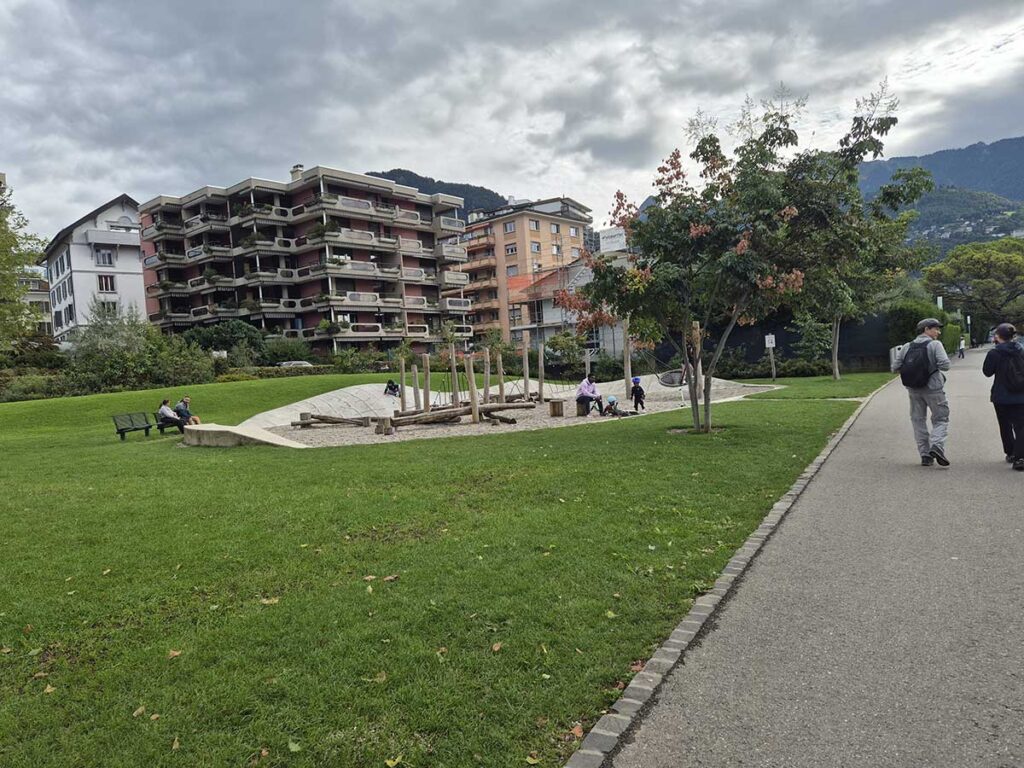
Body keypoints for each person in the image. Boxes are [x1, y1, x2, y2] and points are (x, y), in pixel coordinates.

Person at [892, 318, 951, 467]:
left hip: (913, 390)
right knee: (941, 419)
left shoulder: (906, 347)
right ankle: (936, 445)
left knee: (918, 420)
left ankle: (925, 455)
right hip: (934, 389)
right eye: (936, 329)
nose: (938, 332)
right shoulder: (935, 345)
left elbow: (895, 367)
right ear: (926, 329)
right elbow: (945, 365)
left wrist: (914, 373)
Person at [982, 323, 1024, 471]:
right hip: (1020, 394)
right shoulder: (1021, 350)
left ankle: (1011, 452)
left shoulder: (994, 353)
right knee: (1021, 426)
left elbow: (987, 372)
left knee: (1005, 425)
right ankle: (1020, 457)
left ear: (997, 336)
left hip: (1001, 395)